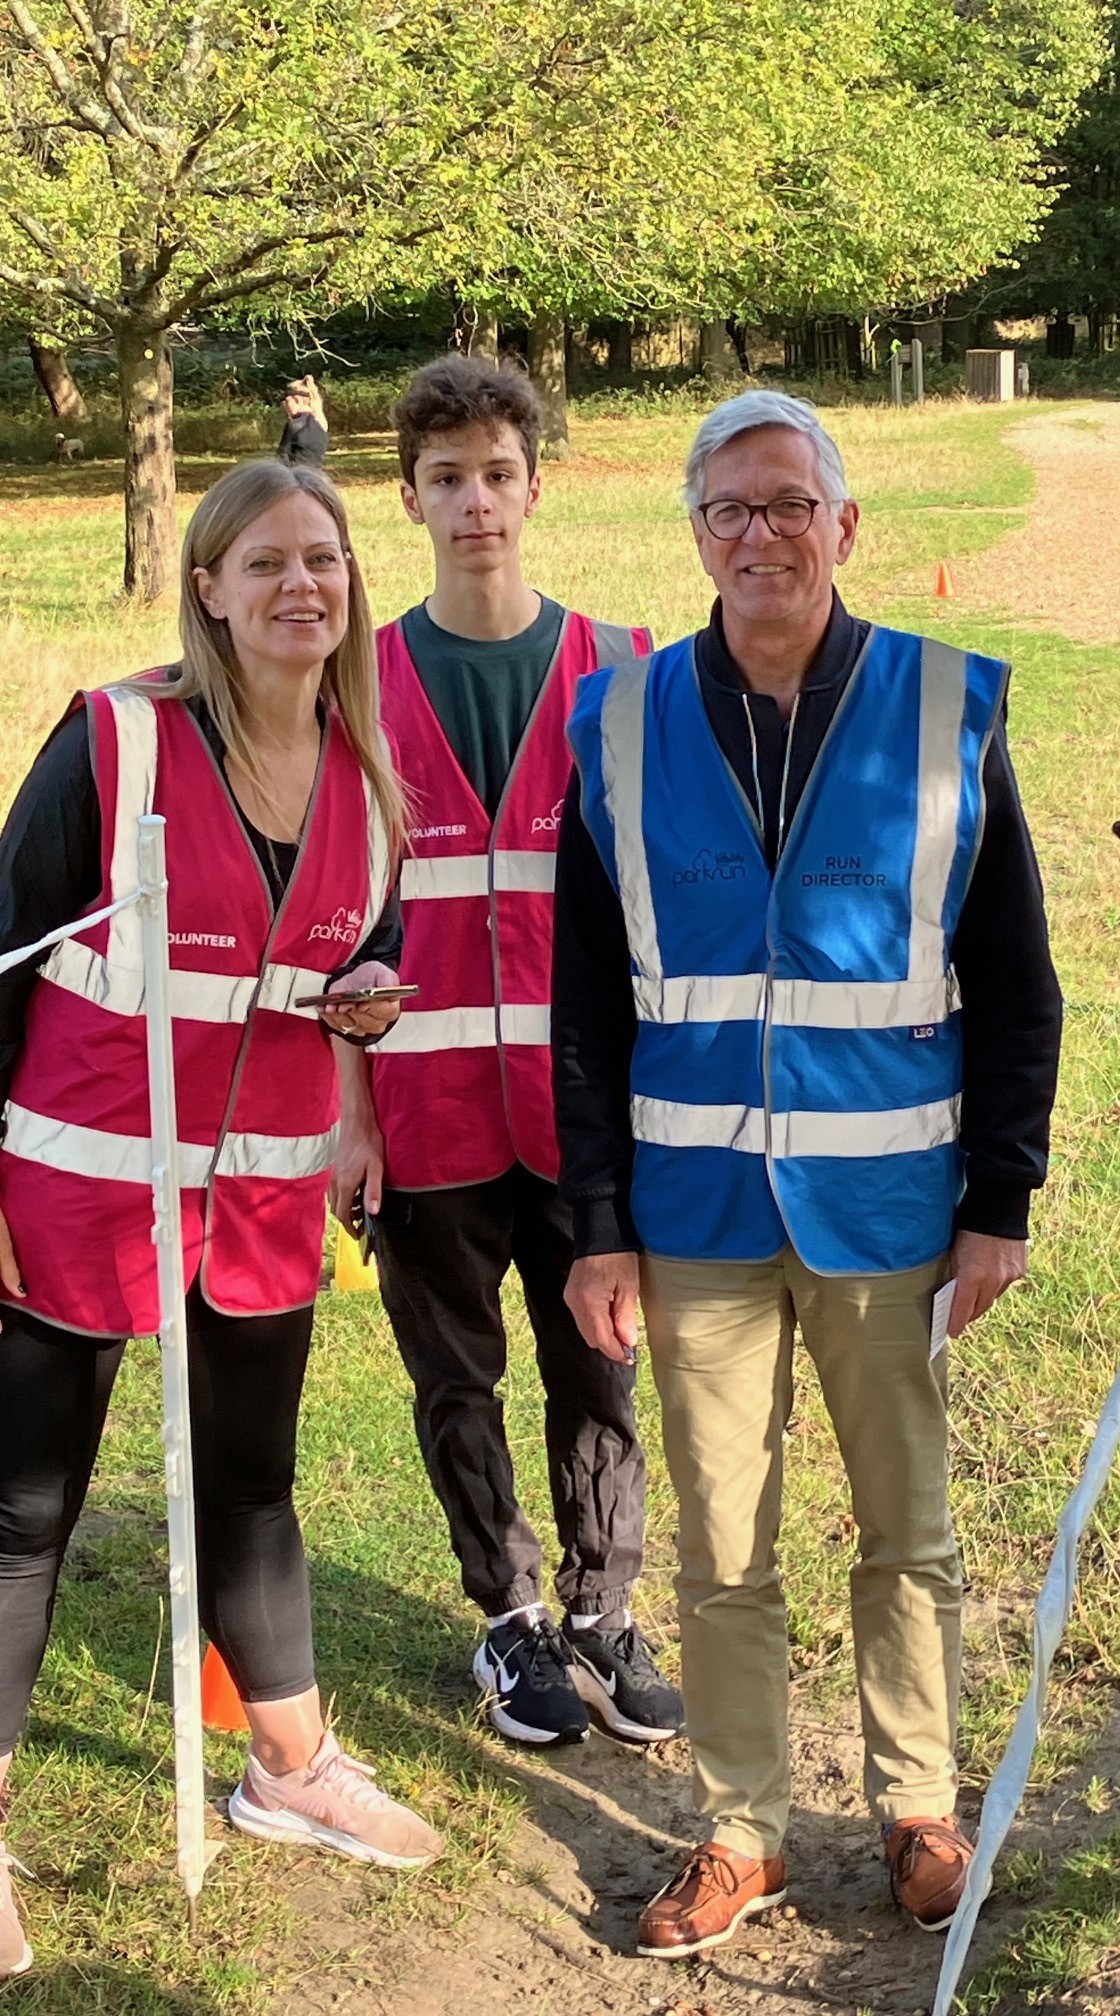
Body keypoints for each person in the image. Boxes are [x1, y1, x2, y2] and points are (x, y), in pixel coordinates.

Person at [553, 389, 1062, 1956]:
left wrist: (1000, 1201)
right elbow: (585, 997)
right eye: (730, 510)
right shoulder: (620, 723)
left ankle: (916, 1802)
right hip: (694, 1214)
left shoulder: (944, 708)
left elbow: (1018, 980)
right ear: (695, 534)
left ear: (847, 528)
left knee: (906, 1527)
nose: (760, 535)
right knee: (721, 1545)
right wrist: (594, 1227)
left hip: (891, 1212)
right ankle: (740, 1826)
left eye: (789, 505)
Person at [0, 459, 442, 1981]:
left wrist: (369, 999)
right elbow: (3, 962)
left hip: (255, 1191)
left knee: (252, 1486)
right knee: (23, 1512)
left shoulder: (370, 779)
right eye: (264, 564)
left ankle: (288, 1767)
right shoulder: (116, 744)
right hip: (73, 1182)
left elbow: (360, 947)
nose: (299, 587)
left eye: (322, 560)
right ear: (207, 587)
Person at [329, 355, 683, 1749]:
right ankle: (509, 1618)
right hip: (419, 1115)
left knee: (599, 1365)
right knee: (454, 1379)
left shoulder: (627, 667)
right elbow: (331, 927)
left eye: (496, 475)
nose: (475, 502)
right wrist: (345, 1119)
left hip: (586, 1111)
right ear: (407, 500)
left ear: (537, 486)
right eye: (444, 480)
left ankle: (604, 1611)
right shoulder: (357, 682)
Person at [278, 376, 330, 467]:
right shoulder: (321, 423)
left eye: (287, 401)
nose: (285, 405)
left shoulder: (295, 424)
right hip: (316, 476)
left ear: (297, 400)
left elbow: (282, 457)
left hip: (296, 476)